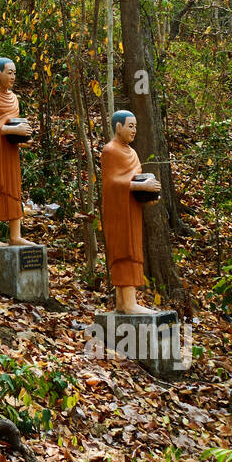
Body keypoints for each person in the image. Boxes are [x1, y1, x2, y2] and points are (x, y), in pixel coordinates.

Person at [101, 110, 161, 313]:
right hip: (117, 213)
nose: (134, 130)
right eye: (130, 126)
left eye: (136, 126)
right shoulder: (110, 150)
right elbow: (112, 183)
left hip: (131, 210)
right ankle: (128, 304)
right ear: (118, 127)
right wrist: (138, 186)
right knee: (123, 251)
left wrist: (149, 196)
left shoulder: (132, 153)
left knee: (134, 251)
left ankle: (124, 302)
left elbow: (137, 179)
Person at [0, 57, 34, 245]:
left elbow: (14, 124)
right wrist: (12, 130)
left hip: (10, 153)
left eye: (15, 73)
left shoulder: (14, 99)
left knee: (13, 190)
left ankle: (15, 235)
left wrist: (22, 139)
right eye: (9, 73)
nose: (13, 77)